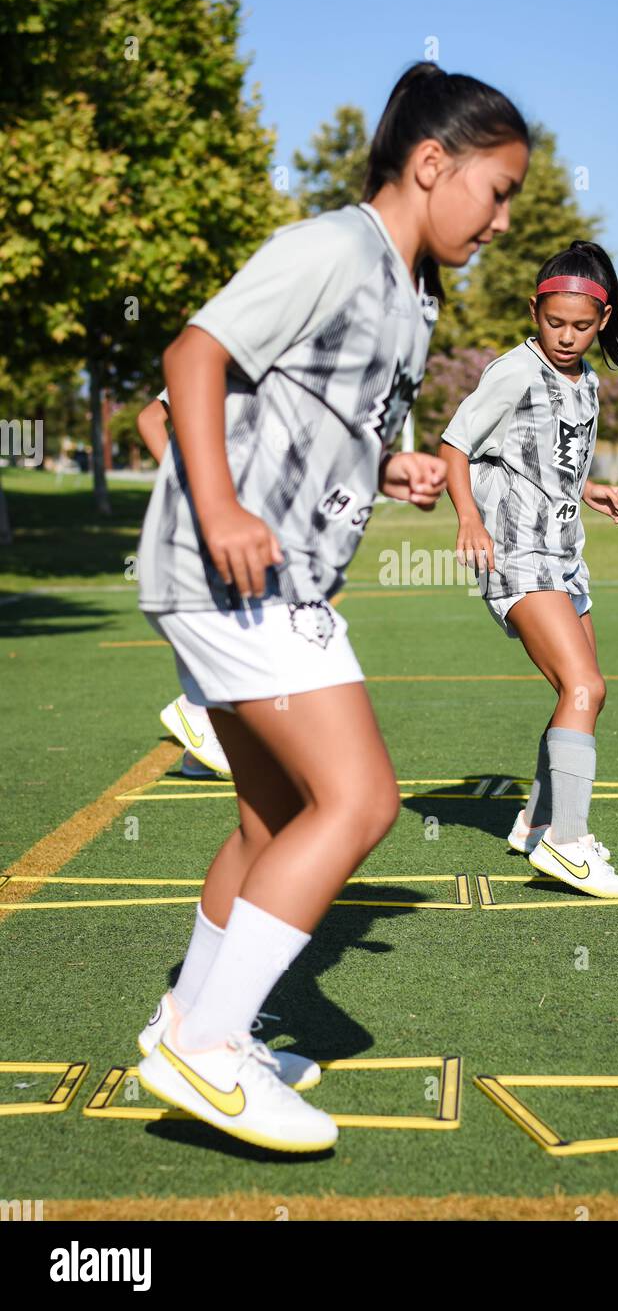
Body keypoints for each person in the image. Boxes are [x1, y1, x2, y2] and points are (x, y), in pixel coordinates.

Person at [134, 61, 530, 1152]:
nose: (501, 218)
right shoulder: (332, 248)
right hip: (235, 577)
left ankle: (187, 1020)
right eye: (494, 191)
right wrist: (218, 508)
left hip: (269, 579)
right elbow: (190, 358)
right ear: (430, 161)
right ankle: (205, 1048)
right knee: (359, 801)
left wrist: (392, 464)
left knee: (270, 822)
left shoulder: (411, 290)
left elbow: (315, 417)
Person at [439, 240, 618, 900]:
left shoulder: (587, 381)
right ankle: (567, 843)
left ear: (605, 319)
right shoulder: (513, 372)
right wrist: (468, 519)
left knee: (584, 691)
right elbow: (455, 444)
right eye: (553, 322)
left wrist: (593, 489)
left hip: (566, 556)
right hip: (518, 555)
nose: (565, 336)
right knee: (583, 687)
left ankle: (536, 822)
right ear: (535, 311)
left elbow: (551, 463)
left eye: (581, 326)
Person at [137, 391, 231, 776]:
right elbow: (149, 419)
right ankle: (195, 706)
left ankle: (199, 753)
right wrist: (183, 483)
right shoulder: (225, 356)